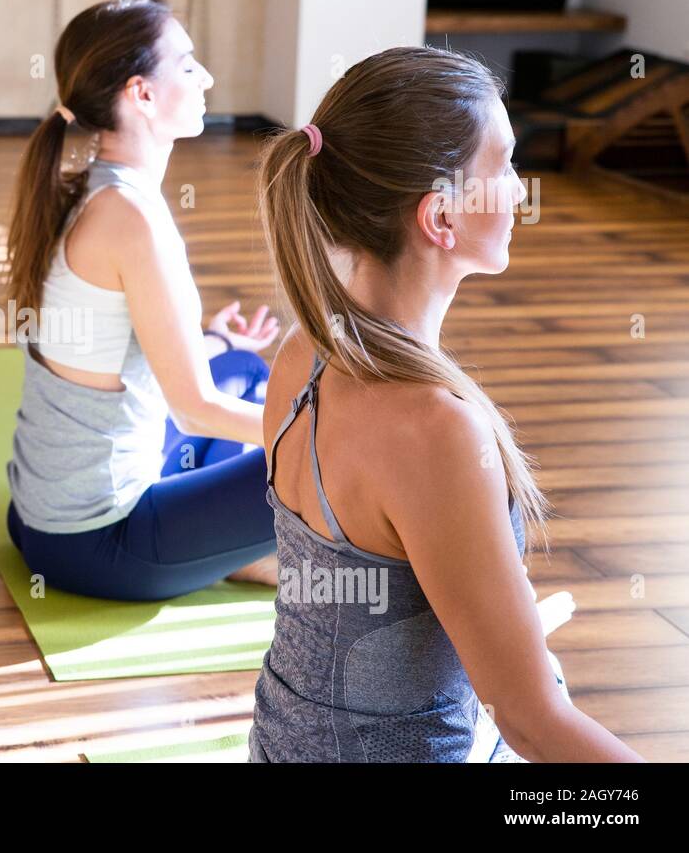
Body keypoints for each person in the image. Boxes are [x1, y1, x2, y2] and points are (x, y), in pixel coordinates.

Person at [248, 45, 642, 762]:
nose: (522, 192)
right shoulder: (434, 428)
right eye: (505, 167)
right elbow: (533, 724)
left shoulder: (301, 354)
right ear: (439, 218)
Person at [3, 0, 281, 603]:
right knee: (328, 459)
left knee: (240, 366)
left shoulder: (90, 191)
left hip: (38, 518)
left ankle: (239, 553)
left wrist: (214, 341)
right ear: (142, 94)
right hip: (101, 544)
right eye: (186, 64)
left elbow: (106, 354)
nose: (205, 76)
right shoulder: (132, 218)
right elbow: (195, 411)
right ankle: (259, 558)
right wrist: (333, 435)